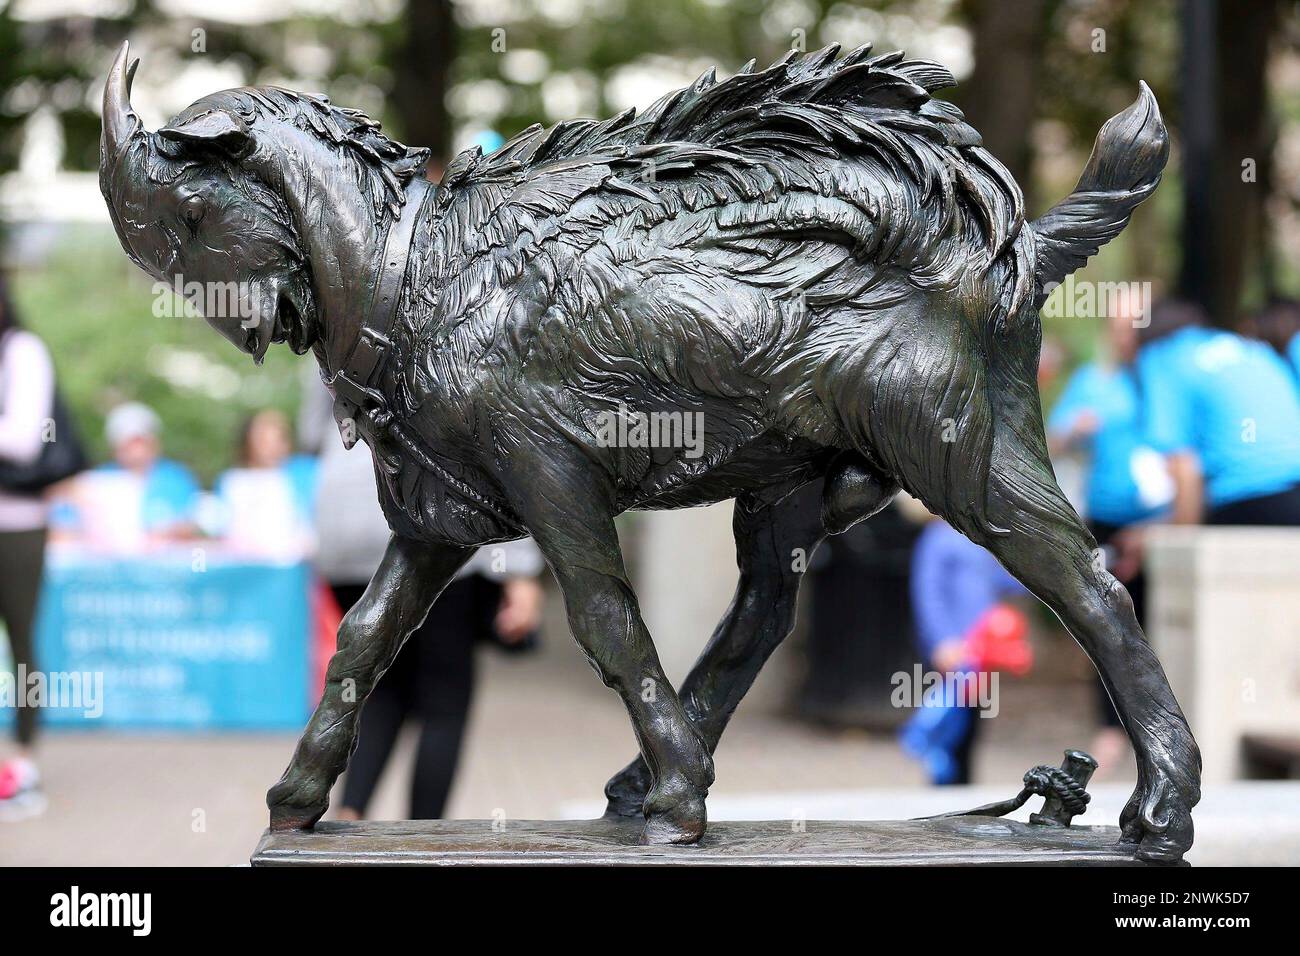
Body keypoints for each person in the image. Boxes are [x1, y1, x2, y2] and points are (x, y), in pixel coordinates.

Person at [301, 382, 545, 819]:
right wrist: (519, 568)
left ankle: (350, 811)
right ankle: (423, 833)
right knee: (444, 702)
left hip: (342, 526)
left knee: (379, 687)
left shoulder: (337, 315)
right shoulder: (452, 315)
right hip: (422, 518)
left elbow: (312, 429)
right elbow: (488, 440)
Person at [1047, 293, 1174, 769]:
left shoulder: (1167, 379)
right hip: (1107, 520)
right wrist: (1076, 427)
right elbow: (1053, 439)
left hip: (1165, 522)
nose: (1128, 334)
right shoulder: (1093, 381)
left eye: (1135, 324)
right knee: (1109, 619)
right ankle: (1110, 726)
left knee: (1162, 618)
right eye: (1120, 325)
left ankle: (1162, 729)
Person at [1137, 299, 1300, 526]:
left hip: (1246, 499)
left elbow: (1183, 463)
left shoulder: (1163, 356)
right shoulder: (1251, 349)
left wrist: (1172, 545)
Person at [899, 517, 1025, 786]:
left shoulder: (978, 540)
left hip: (980, 653)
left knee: (971, 725)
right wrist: (942, 640)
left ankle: (961, 789)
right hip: (953, 652)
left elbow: (1003, 580)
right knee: (948, 724)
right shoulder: (937, 538)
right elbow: (928, 593)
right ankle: (946, 790)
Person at [0, 275, 53, 819]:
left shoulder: (22, 350)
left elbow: (23, 436)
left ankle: (25, 760)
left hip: (16, 524)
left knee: (21, 643)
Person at [51, 402, 201, 550]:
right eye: (130, 443)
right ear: (115, 447)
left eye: (142, 442)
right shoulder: (98, 482)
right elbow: (62, 525)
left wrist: (169, 532)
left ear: (155, 443)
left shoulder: (177, 478)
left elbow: (198, 527)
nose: (137, 450)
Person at [213, 409, 318, 557]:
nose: (272, 446)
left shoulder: (304, 474)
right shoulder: (232, 482)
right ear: (248, 441)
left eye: (278, 438)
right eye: (264, 439)